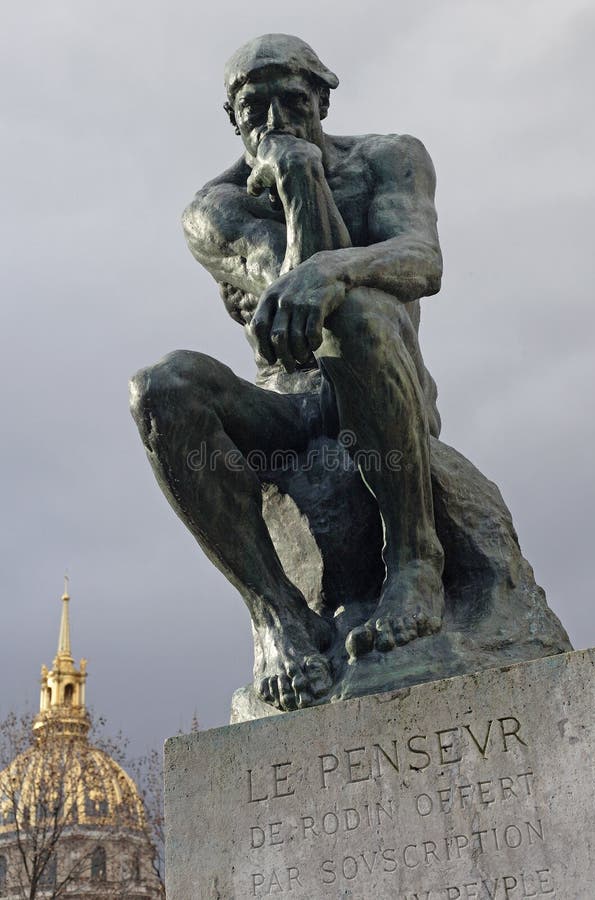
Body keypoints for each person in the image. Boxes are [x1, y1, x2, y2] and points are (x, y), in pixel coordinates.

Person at [130, 34, 447, 711]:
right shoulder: (212, 208)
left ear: (323, 101)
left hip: (376, 383)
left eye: (292, 103)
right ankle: (277, 617)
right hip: (286, 408)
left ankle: (414, 562)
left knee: (356, 315)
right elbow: (289, 316)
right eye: (254, 111)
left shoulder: (389, 157)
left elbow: (421, 260)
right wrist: (298, 178)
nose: (274, 125)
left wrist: (334, 264)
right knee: (161, 387)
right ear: (232, 118)